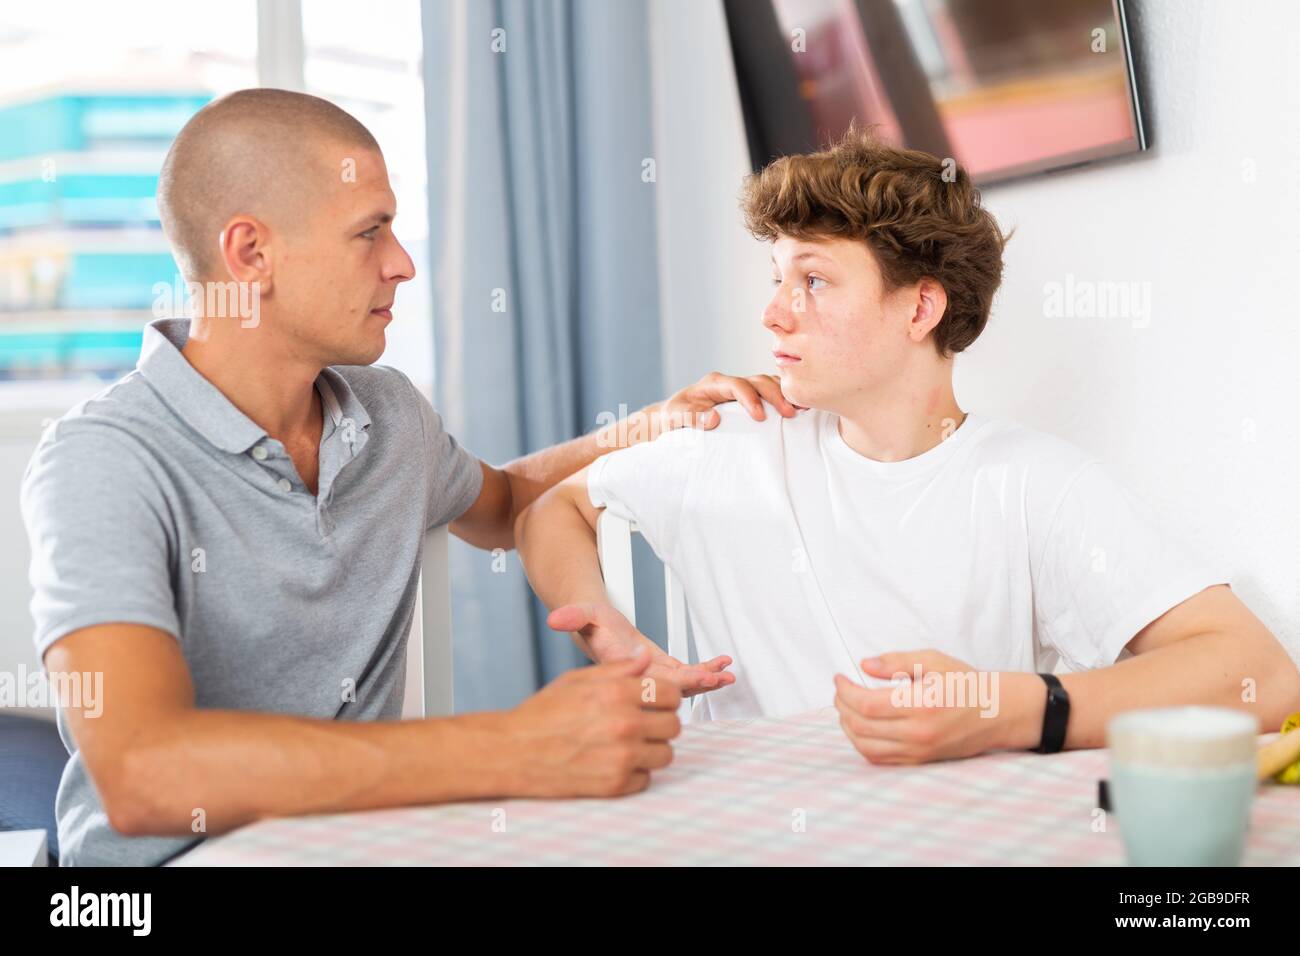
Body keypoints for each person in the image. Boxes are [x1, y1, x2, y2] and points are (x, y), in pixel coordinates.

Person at [20, 89, 781, 866]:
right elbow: (141, 773)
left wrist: (650, 423)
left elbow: (506, 502)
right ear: (251, 254)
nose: (403, 263)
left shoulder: (386, 416)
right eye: (368, 232)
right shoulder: (103, 461)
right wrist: (514, 746)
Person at [516, 130, 1300, 764]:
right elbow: (552, 509)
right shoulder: (734, 442)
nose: (774, 316)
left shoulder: (1032, 483)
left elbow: (1259, 673)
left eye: (813, 281)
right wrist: (610, 633)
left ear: (921, 305)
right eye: (776, 278)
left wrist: (1010, 710)